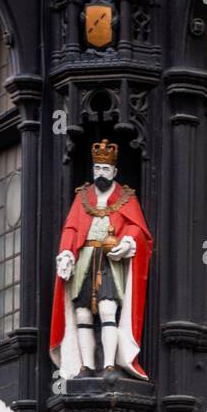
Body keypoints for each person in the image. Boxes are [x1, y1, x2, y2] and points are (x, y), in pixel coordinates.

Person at [50, 139, 153, 379]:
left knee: (108, 310)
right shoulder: (82, 197)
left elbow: (137, 227)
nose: (101, 173)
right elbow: (71, 229)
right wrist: (66, 252)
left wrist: (127, 241)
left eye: (105, 169)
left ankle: (109, 365)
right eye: (97, 168)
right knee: (83, 314)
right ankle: (85, 367)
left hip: (110, 261)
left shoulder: (127, 197)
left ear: (114, 171)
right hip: (85, 259)